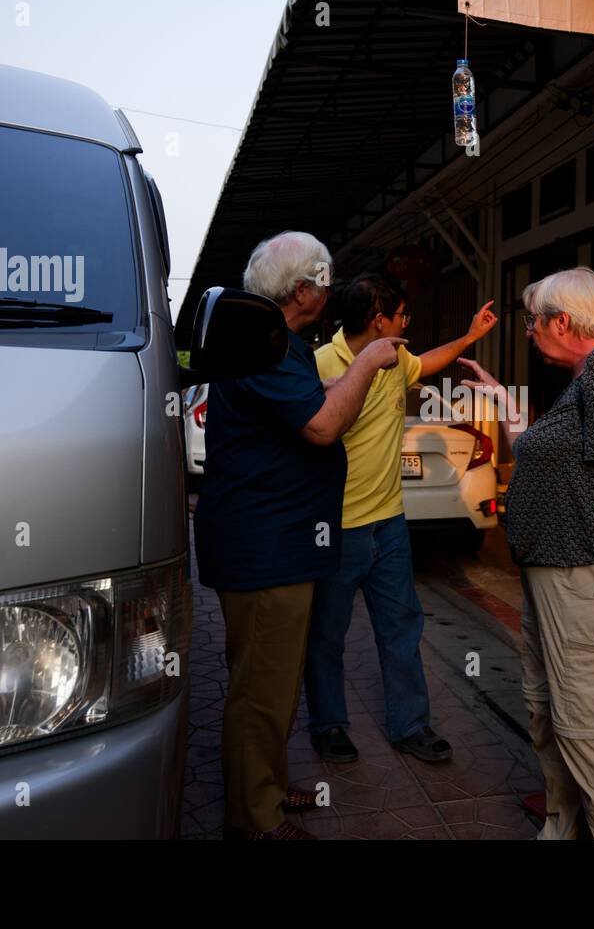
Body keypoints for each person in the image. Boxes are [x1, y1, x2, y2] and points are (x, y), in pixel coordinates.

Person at [193, 232, 404, 841]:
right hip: (264, 550)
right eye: (326, 281)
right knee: (261, 691)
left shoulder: (272, 342)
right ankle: (253, 820)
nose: (332, 291)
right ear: (304, 289)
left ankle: (265, 785)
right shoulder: (262, 345)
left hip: (278, 545)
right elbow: (321, 425)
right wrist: (367, 360)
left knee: (274, 683)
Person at [458, 266, 594, 840]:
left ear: (562, 322)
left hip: (582, 581)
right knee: (550, 716)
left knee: (593, 738)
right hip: (552, 581)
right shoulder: (584, 379)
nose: (528, 332)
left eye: (532, 322)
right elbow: (545, 452)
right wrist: (501, 398)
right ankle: (562, 829)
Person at [305, 273, 498, 764]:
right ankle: (329, 725)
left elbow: (424, 364)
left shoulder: (395, 358)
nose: (407, 323)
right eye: (402, 315)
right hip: (338, 529)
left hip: (389, 524)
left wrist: (470, 337)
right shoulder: (319, 363)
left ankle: (410, 725)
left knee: (401, 628)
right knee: (327, 634)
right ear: (378, 320)